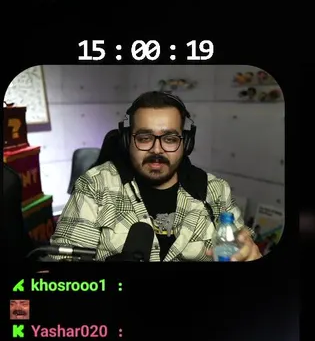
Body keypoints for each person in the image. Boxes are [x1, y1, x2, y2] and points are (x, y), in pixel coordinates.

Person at [48, 91, 260, 262]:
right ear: (127, 141)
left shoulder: (216, 190)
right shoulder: (95, 185)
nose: (157, 150)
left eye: (170, 139)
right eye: (144, 138)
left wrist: (248, 254)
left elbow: (240, 248)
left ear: (186, 143)